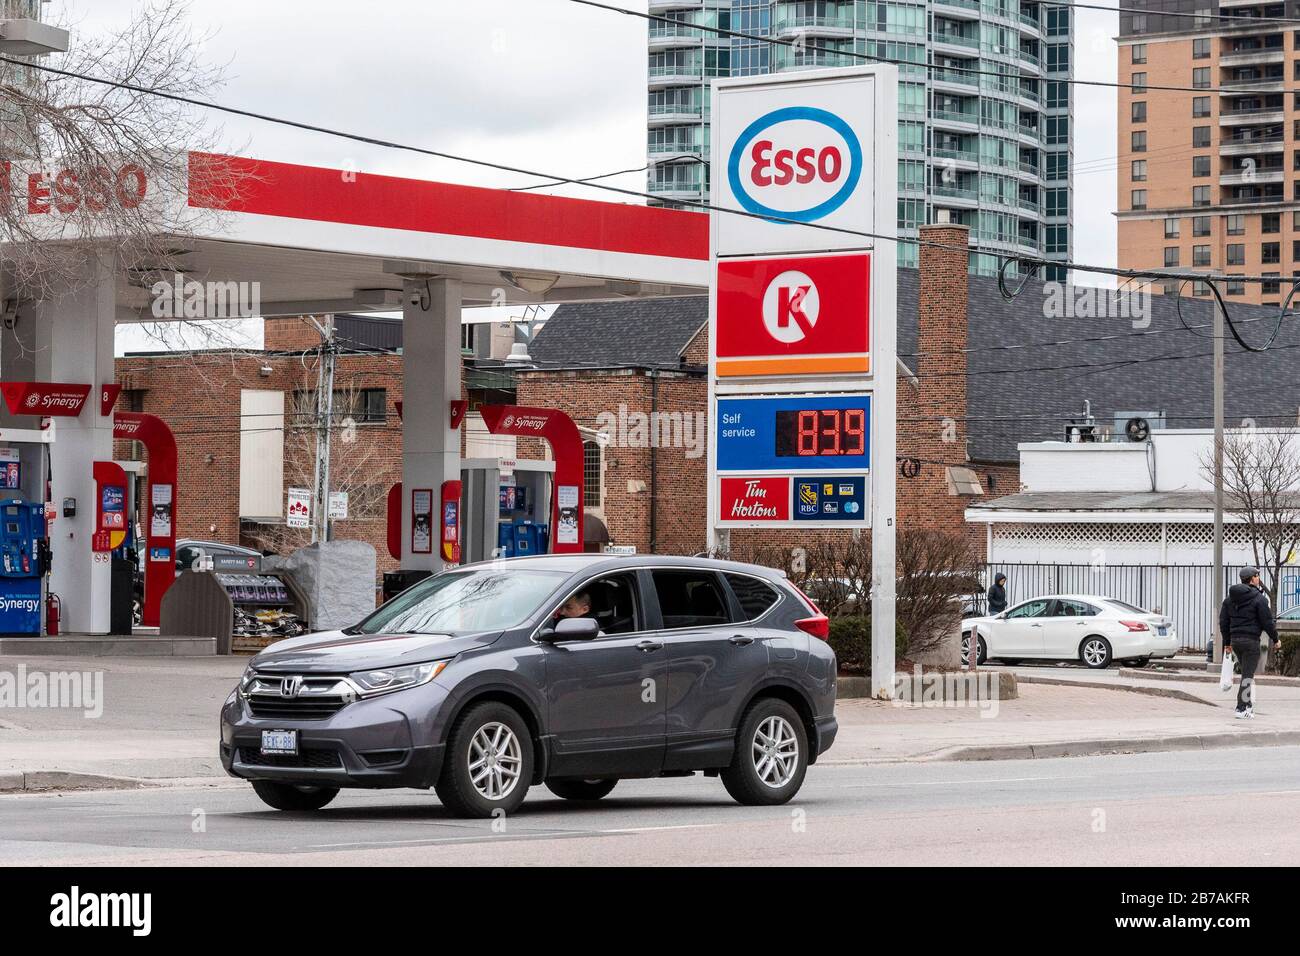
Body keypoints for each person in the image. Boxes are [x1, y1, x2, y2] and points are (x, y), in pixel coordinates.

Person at [1219, 567, 1280, 719]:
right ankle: (1241, 708)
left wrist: (1227, 642)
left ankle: (1248, 706)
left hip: (1235, 641)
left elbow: (1223, 622)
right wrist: (1276, 639)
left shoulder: (1228, 600)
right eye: (1257, 576)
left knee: (1247, 674)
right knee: (1247, 675)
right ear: (1252, 579)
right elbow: (1267, 622)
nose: (1259, 579)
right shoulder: (1259, 599)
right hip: (1251, 642)